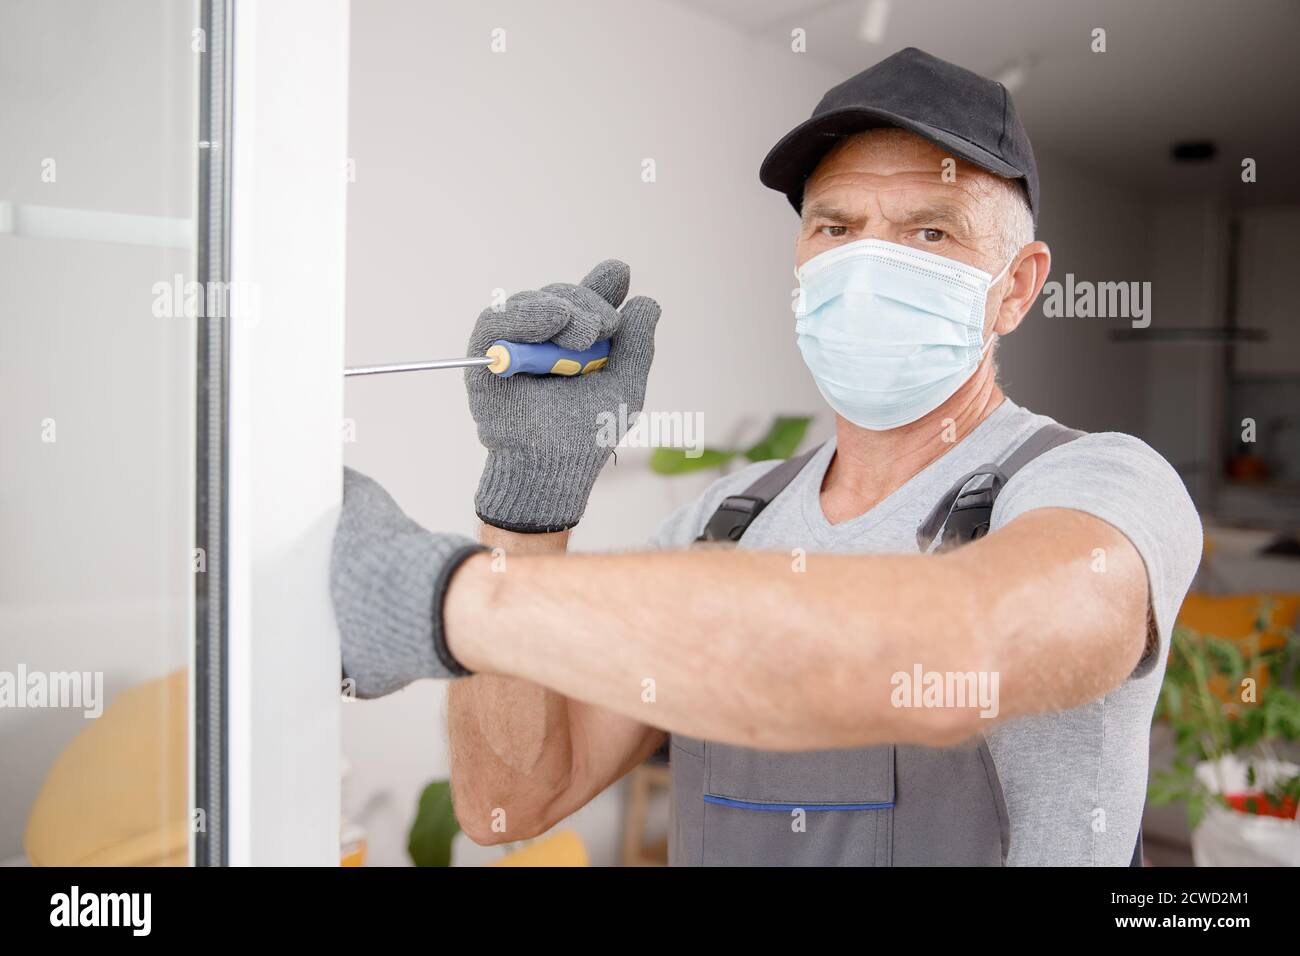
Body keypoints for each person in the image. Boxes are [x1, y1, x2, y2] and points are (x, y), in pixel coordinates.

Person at [331, 48, 1202, 866]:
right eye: (836, 227)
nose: (866, 264)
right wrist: (524, 512)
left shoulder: (1099, 486)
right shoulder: (720, 523)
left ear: (1015, 287)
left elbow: (959, 651)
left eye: (930, 233)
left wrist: (448, 596)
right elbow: (503, 805)